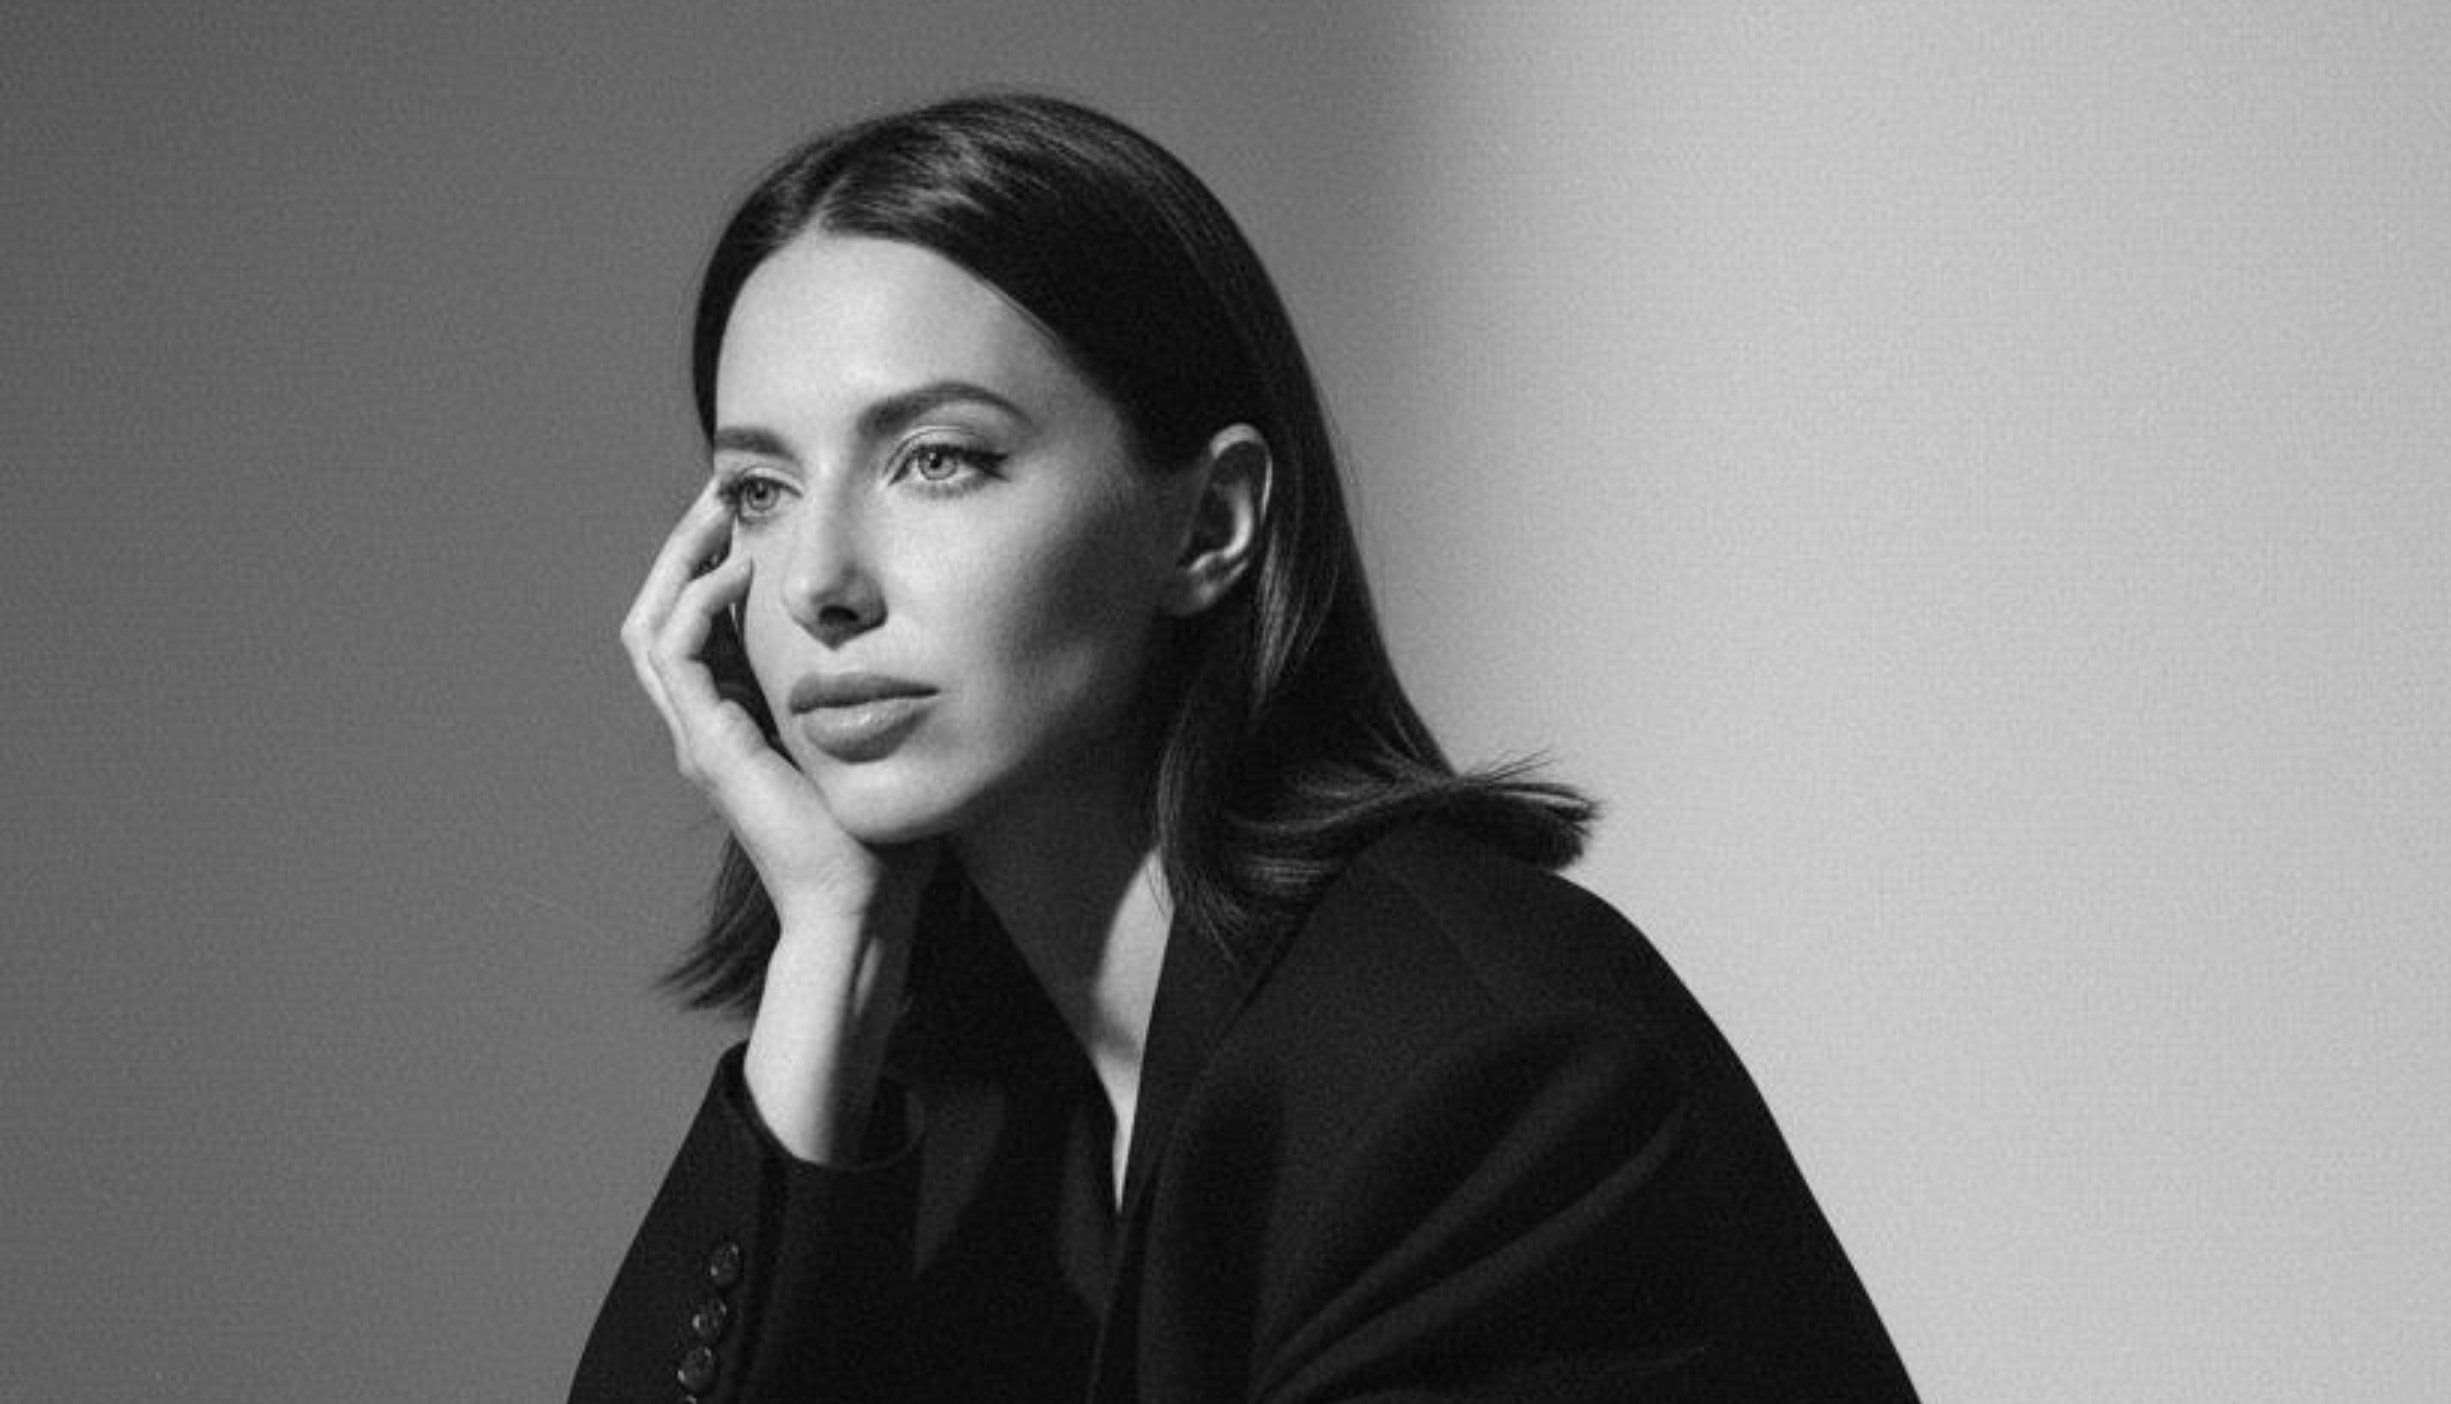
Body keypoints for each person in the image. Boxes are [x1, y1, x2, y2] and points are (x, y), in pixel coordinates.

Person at [573, 92, 1918, 1403]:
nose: (818, 582)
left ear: (1210, 525)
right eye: (760, 490)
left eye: (937, 459)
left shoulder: (1479, 1078)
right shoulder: (961, 1097)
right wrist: (831, 950)